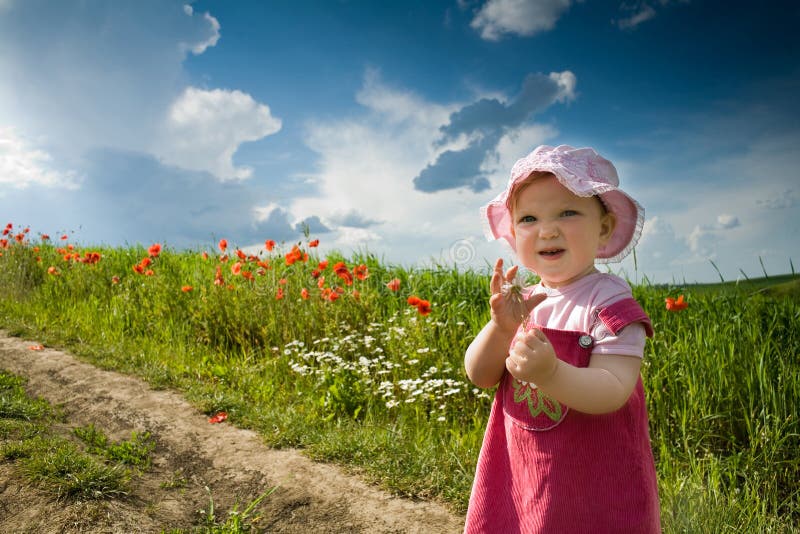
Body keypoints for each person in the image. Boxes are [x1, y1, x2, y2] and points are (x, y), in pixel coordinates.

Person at [464, 145, 661, 533]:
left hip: (592, 484)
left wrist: (552, 373)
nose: (547, 229)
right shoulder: (524, 300)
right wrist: (502, 328)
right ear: (514, 232)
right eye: (529, 218)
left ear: (603, 227)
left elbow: (613, 389)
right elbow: (479, 374)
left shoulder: (608, 302)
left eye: (567, 212)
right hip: (523, 475)